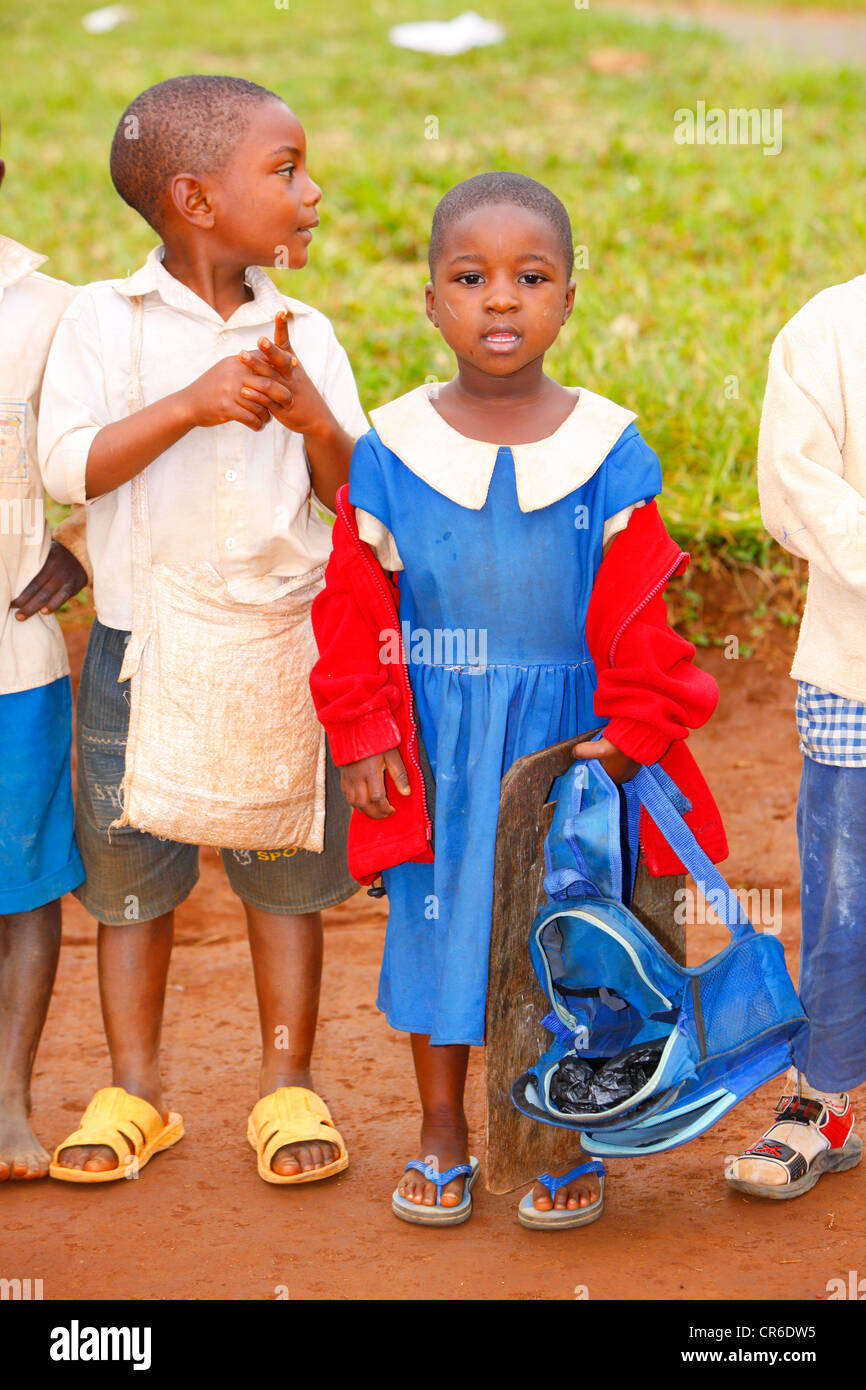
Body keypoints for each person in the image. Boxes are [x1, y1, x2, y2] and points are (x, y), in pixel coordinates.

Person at [311, 172, 727, 1227]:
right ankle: (443, 1128)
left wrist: (633, 731)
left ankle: (557, 1130)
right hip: (440, 743)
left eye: (528, 277)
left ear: (567, 298)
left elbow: (642, 613)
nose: (501, 299)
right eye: (471, 276)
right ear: (431, 301)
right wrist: (360, 728)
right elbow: (351, 605)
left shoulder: (605, 448)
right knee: (439, 926)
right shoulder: (391, 450)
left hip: (570, 745)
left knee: (570, 931)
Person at [38, 75, 368, 1185]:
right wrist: (191, 400)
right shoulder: (103, 318)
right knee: (132, 882)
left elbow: (353, 497)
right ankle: (135, 1089)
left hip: (278, 648)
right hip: (141, 648)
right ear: (195, 198)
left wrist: (309, 412)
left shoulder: (307, 330)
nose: (311, 191)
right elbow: (62, 466)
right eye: (285, 171)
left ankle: (288, 1086)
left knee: (283, 881)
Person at [727, 275, 866, 1198]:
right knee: (845, 905)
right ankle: (829, 1097)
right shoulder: (829, 331)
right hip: (857, 671)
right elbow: (794, 488)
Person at [0, 117, 91, 1180]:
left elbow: (109, 438)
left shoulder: (49, 313)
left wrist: (79, 542)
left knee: (21, 887)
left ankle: (9, 1101)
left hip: (13, 664)